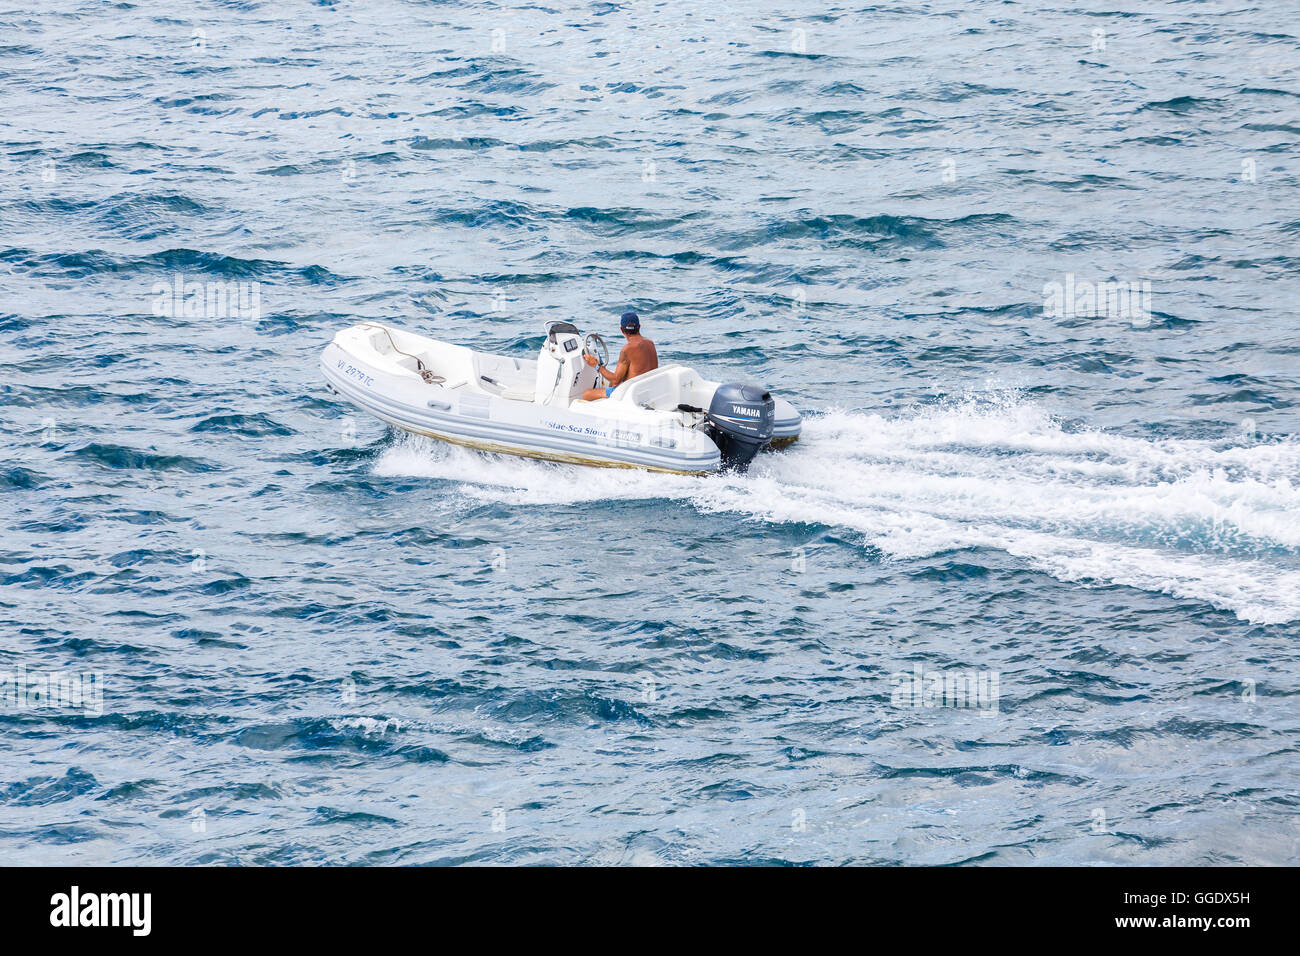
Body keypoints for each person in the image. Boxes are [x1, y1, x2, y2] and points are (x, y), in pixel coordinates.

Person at [582, 311, 658, 400]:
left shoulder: (627, 349)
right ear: (639, 327)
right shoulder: (650, 343)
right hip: (649, 389)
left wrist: (596, 365)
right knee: (611, 384)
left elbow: (616, 380)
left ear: (621, 329)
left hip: (632, 394)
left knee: (586, 394)